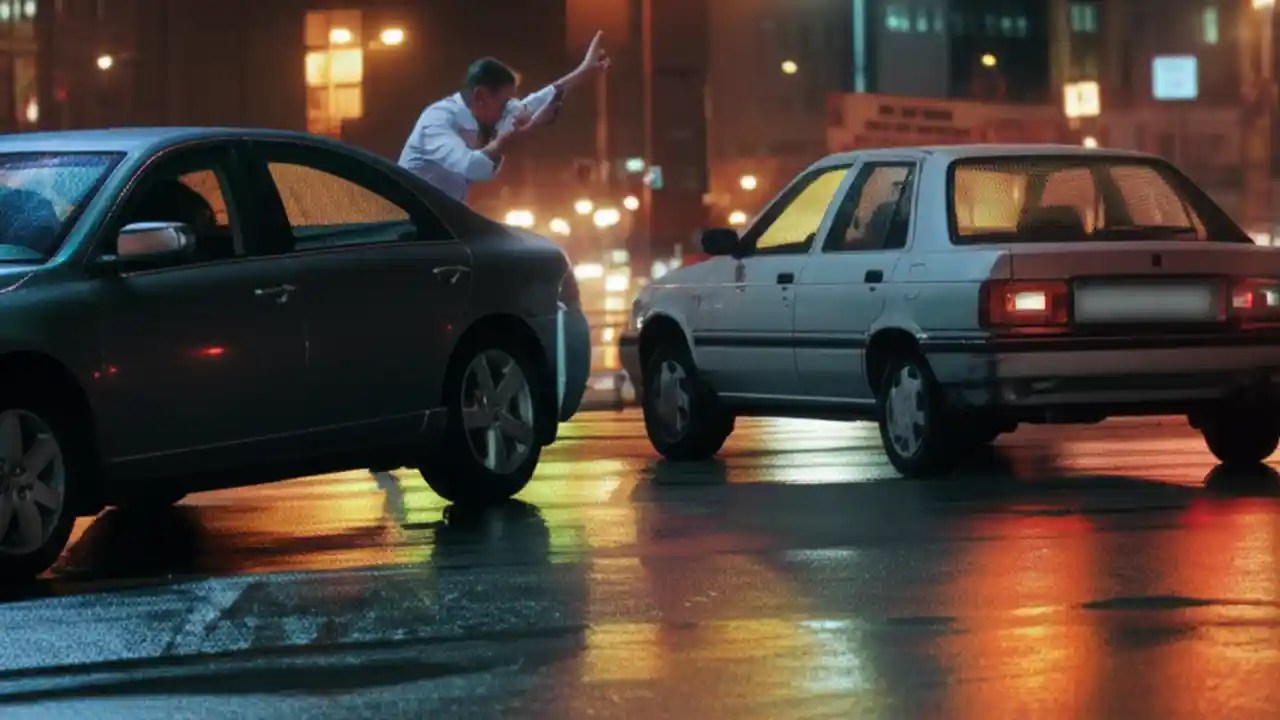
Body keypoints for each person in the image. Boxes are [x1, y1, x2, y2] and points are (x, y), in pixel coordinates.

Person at [398, 31, 611, 204]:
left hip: (441, 222)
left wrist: (581, 73)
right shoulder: (438, 121)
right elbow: (471, 166)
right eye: (505, 102)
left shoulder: (486, 113)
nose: (510, 108)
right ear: (480, 97)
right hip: (411, 228)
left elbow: (532, 103)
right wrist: (505, 143)